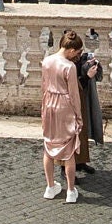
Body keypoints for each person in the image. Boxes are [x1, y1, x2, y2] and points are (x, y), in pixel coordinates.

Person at [41, 32, 88, 202]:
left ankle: (50, 186)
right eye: (77, 52)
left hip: (49, 105)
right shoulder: (69, 67)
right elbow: (74, 95)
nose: (77, 56)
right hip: (64, 106)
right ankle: (70, 190)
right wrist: (79, 116)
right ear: (71, 50)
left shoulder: (47, 61)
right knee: (68, 152)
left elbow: (44, 87)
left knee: (48, 146)